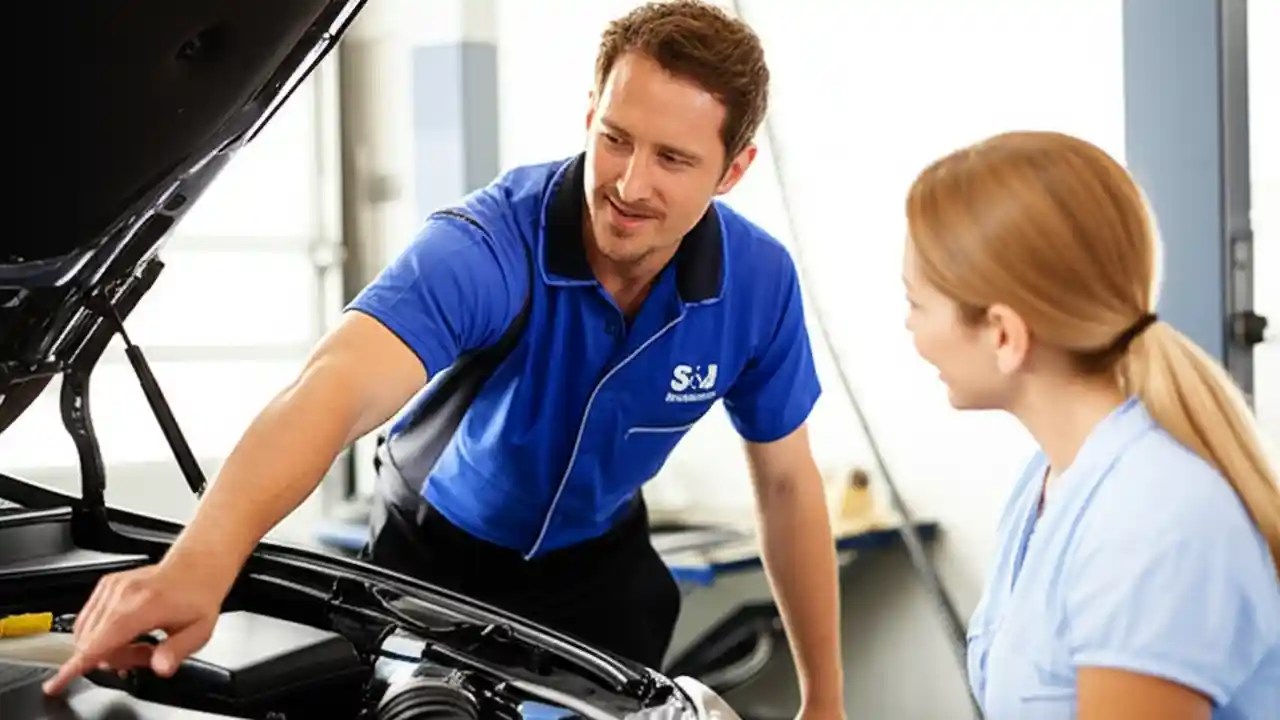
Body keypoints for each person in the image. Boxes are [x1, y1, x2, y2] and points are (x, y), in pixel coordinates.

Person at [42, 1, 847, 714]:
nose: (630, 185)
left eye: (673, 159)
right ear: (589, 117)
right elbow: (334, 388)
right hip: (436, 558)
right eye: (615, 139)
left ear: (733, 170)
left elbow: (785, 482)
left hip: (599, 568)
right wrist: (201, 561)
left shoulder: (759, 283)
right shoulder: (488, 242)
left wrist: (825, 701)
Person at [901, 130, 1280, 719]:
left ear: (1003, 334)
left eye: (916, 304)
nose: (910, 328)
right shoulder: (1050, 480)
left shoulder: (1154, 519)